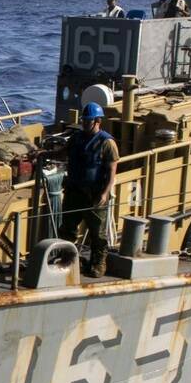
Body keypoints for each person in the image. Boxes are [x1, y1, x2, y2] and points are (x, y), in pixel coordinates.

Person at [61, 102, 118, 278]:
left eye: (89, 120)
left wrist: (104, 193)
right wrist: (43, 155)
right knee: (68, 229)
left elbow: (111, 171)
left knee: (97, 234)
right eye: (84, 120)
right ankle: (68, 260)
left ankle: (98, 264)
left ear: (98, 121)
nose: (85, 124)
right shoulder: (77, 138)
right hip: (74, 192)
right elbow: (64, 153)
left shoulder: (106, 142)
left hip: (94, 195)